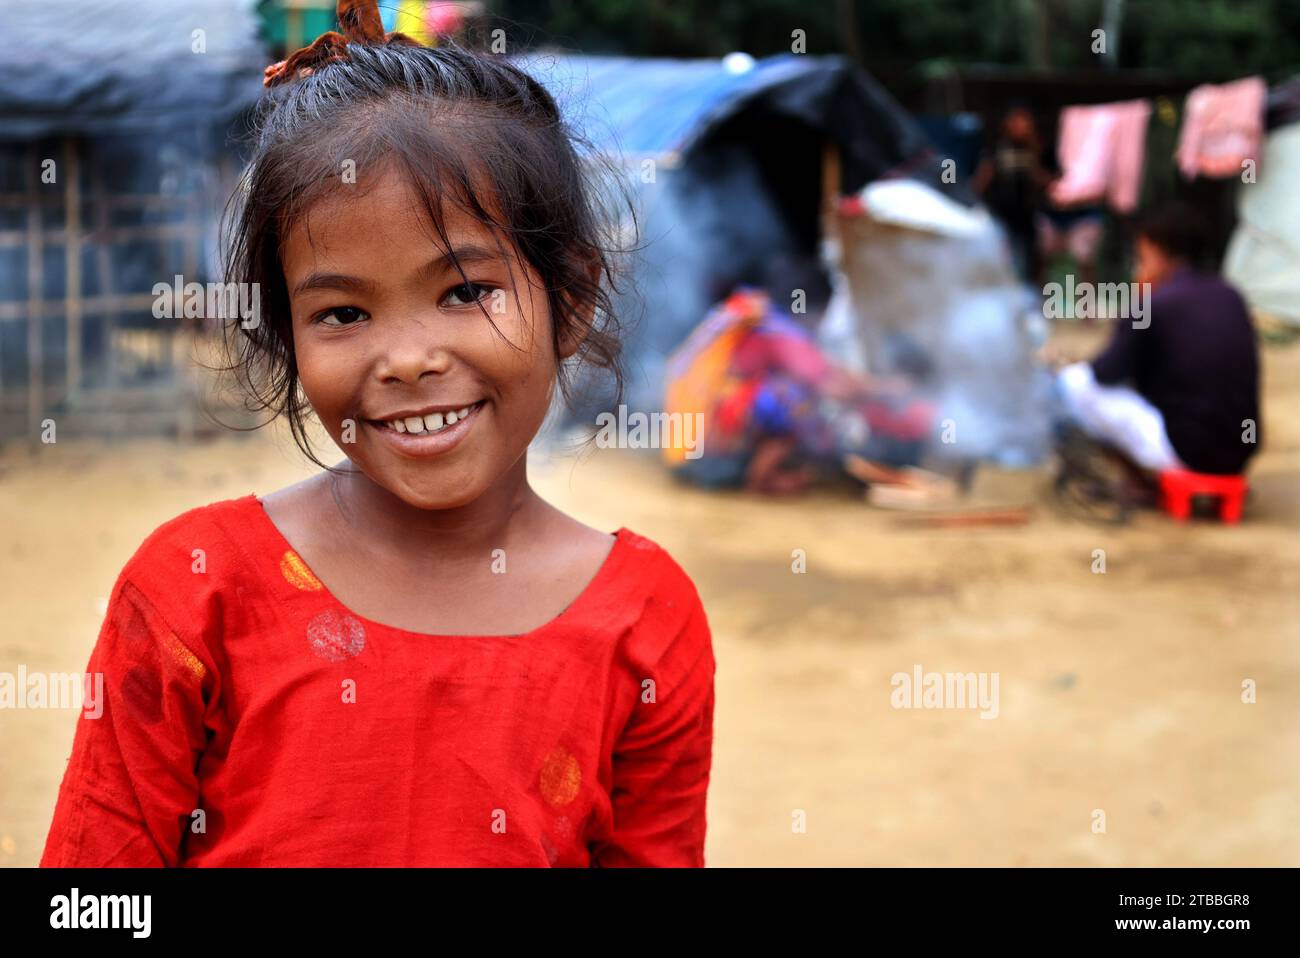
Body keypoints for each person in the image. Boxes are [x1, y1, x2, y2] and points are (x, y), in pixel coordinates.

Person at [41, 2, 714, 868]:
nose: (406, 360)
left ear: (572, 297)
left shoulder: (645, 619)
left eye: (467, 291)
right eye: (343, 312)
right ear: (287, 334)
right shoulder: (194, 592)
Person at [1054, 204, 1261, 477]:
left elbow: (1105, 373)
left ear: (1155, 250)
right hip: (1241, 453)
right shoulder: (1229, 294)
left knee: (1072, 383)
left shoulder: (1152, 303)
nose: (1137, 266)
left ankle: (1126, 474)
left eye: (1141, 256)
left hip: (1187, 451)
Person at [973, 104, 1054, 283]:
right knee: (1005, 258)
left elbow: (1050, 180)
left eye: (1025, 121)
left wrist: (1035, 154)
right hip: (1001, 213)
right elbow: (983, 179)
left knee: (1032, 259)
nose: (1020, 126)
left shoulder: (1040, 150)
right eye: (1015, 121)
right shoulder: (997, 148)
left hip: (1030, 214)